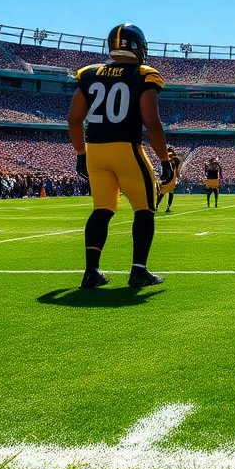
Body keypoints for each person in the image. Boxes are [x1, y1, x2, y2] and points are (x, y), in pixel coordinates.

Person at [67, 23, 173, 290]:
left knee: (101, 210)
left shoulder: (89, 73)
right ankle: (139, 270)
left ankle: (91, 271)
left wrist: (80, 154)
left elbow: (74, 119)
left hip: (95, 150)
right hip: (126, 149)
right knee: (145, 209)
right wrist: (164, 159)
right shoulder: (144, 74)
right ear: (138, 47)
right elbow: (151, 121)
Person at [156, 148, 182, 213]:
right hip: (171, 178)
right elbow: (180, 162)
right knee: (169, 193)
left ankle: (157, 207)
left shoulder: (170, 160)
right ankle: (166, 207)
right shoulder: (174, 160)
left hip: (170, 178)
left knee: (163, 193)